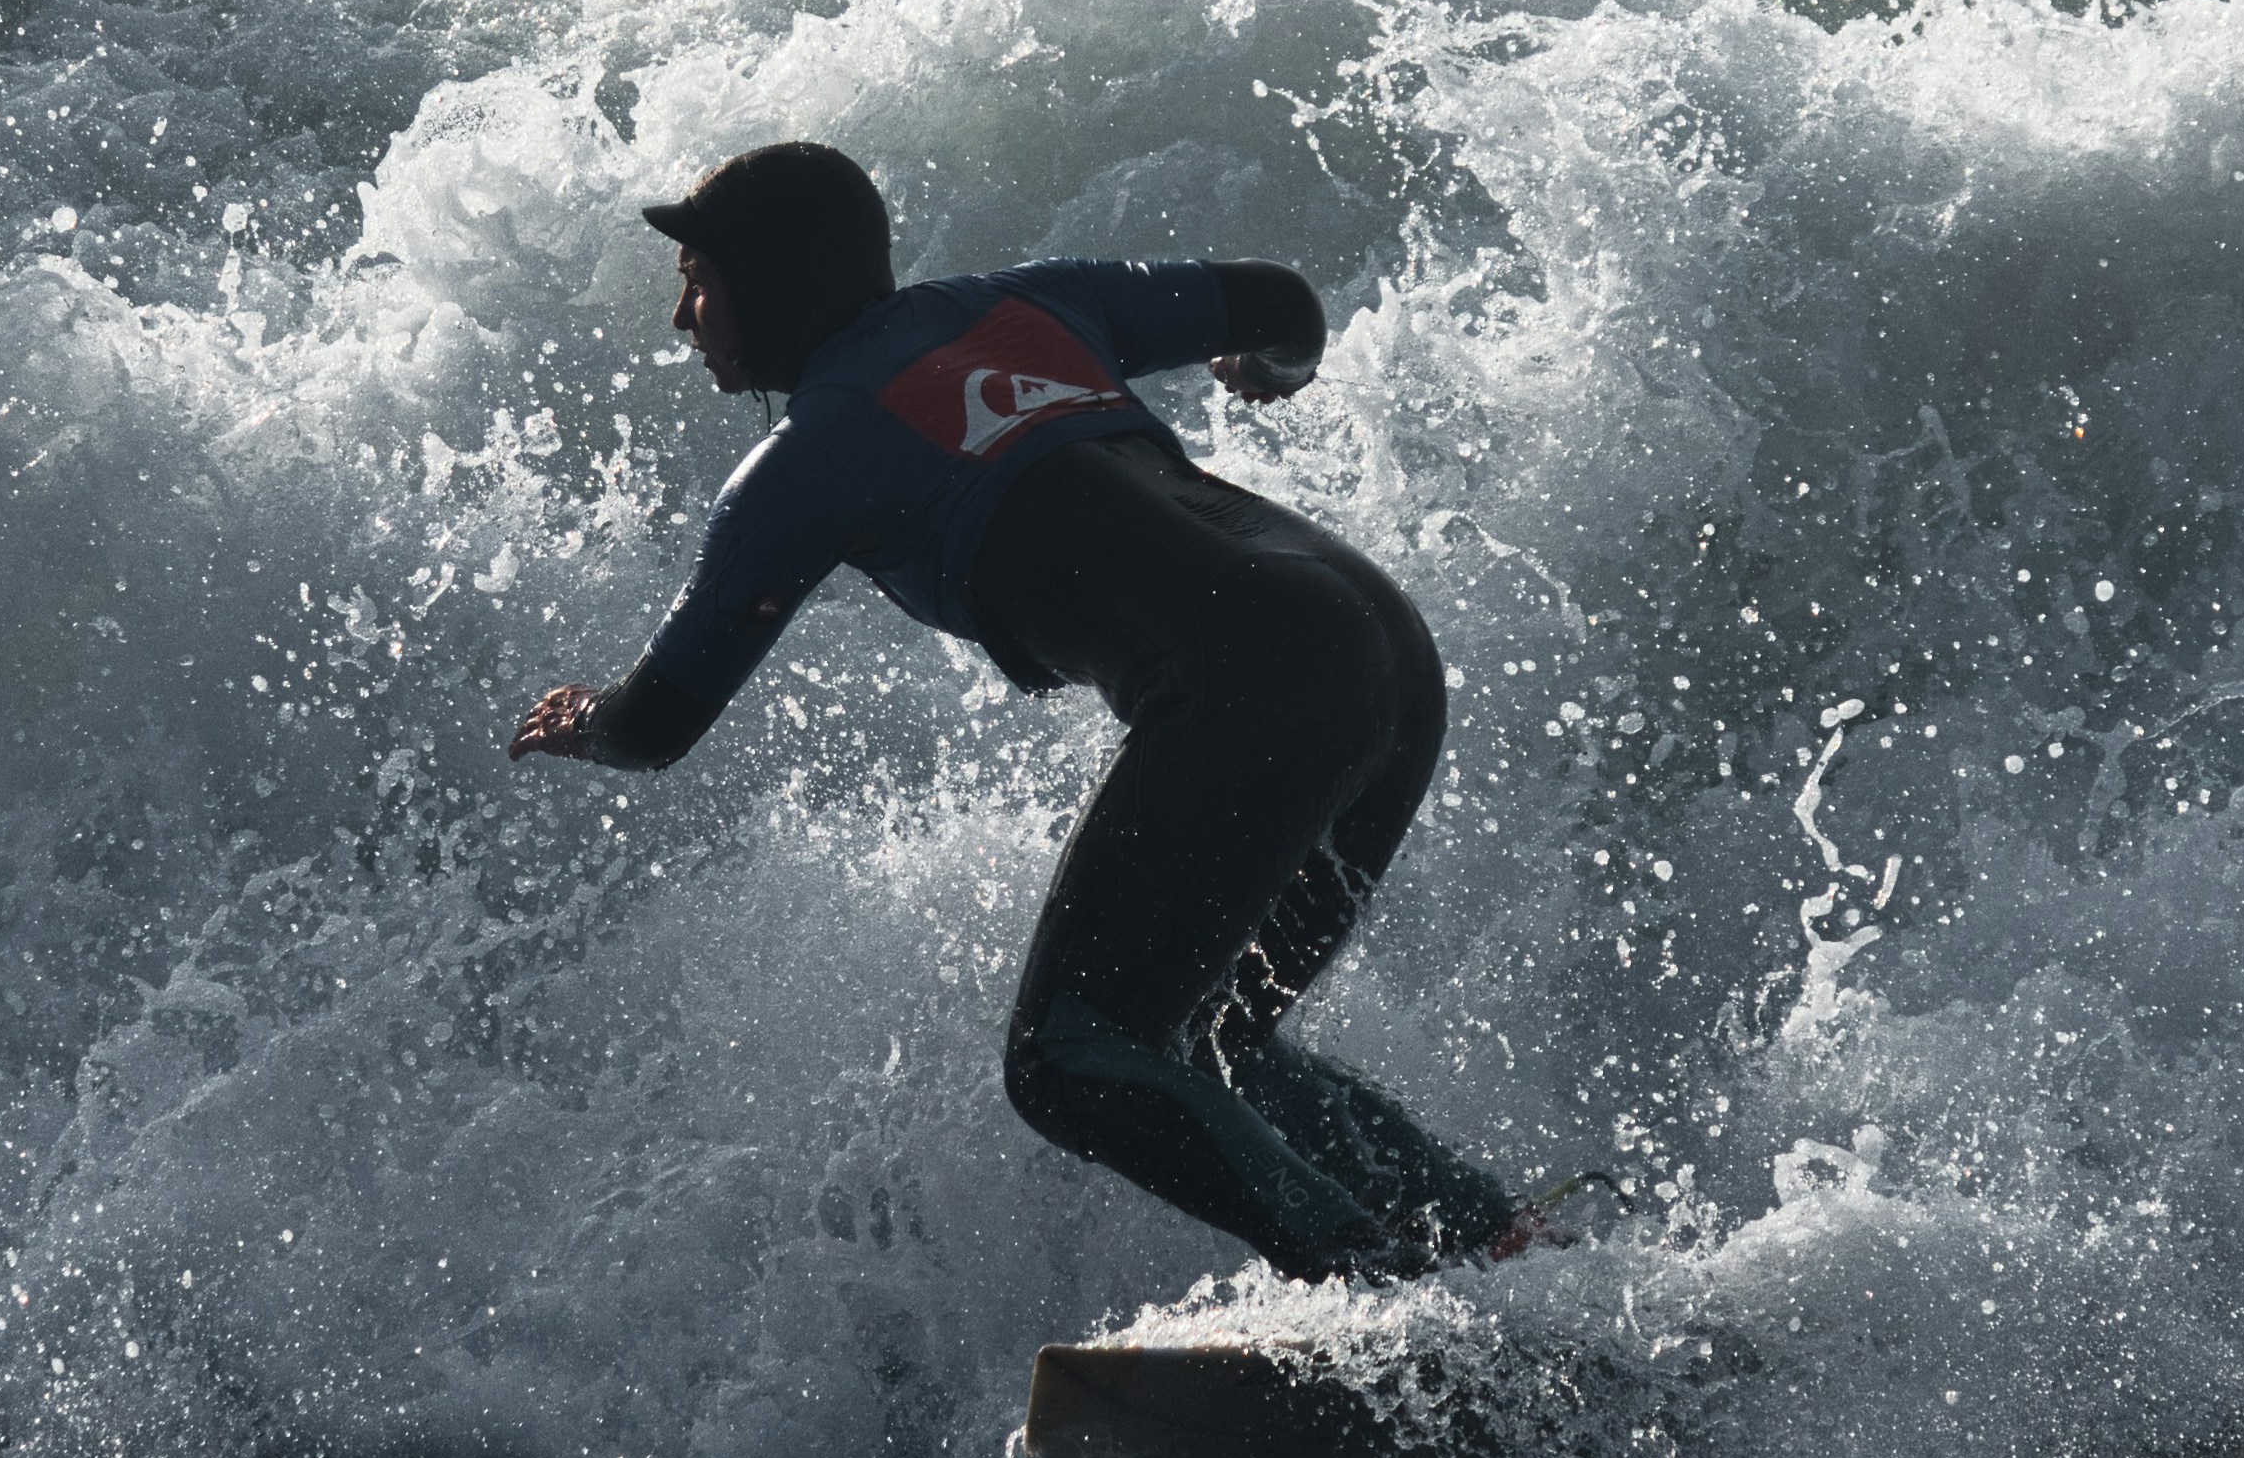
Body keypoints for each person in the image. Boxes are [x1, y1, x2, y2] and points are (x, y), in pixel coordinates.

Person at [510, 140, 1534, 1280]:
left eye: (697, 280)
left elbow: (657, 725)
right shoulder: (1022, 304)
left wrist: (582, 721)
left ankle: (1380, 1301)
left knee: (1070, 1061)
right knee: (1212, 1040)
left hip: (1256, 682)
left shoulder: (806, 459)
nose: (681, 317)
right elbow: (1282, 304)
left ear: (771, 282)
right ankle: (1506, 1251)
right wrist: (1271, 371)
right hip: (1377, 641)